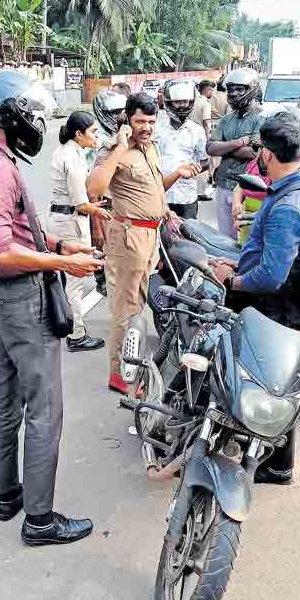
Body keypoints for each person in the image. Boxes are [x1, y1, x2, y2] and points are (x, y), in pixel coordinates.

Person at [0, 70, 103, 546]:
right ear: (12, 115)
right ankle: (39, 520)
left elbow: (16, 230)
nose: (37, 125)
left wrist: (59, 245)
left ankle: (9, 495)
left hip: (7, 297)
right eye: (33, 115)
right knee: (45, 407)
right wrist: (62, 261)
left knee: (9, 394)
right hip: (20, 297)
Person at [209, 112, 300, 486]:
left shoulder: (288, 206)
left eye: (261, 152)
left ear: (267, 154)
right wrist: (239, 262)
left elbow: (271, 275)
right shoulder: (295, 185)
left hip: (273, 304)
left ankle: (277, 464)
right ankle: (270, 455)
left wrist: (233, 280)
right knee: (276, 378)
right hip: (277, 299)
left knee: (271, 380)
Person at [88, 93, 199, 394]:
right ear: (127, 119)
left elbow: (152, 188)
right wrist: (120, 146)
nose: (146, 127)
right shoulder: (114, 148)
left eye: (151, 121)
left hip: (150, 236)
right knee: (125, 309)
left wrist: (175, 180)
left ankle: (131, 368)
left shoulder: (150, 147)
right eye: (140, 121)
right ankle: (120, 375)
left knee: (138, 306)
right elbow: (95, 187)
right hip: (129, 237)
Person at [50, 112, 114, 352]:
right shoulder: (72, 157)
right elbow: (81, 203)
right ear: (79, 134)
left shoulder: (68, 151)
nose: (96, 136)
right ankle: (76, 335)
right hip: (71, 222)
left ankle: (66, 326)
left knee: (67, 279)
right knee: (74, 283)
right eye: (93, 132)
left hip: (63, 218)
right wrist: (100, 212)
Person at [206, 68, 266, 237]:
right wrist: (238, 143)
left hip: (249, 189)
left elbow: (254, 153)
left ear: (252, 89)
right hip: (224, 184)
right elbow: (210, 148)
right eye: (231, 89)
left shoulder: (262, 118)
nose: (233, 93)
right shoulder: (226, 120)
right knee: (225, 238)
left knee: (247, 238)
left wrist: (224, 148)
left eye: (239, 89)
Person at [232, 137, 300, 244]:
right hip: (248, 224)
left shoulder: (296, 168)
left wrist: (261, 217)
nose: (262, 152)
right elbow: (240, 186)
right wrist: (237, 204)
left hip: (273, 228)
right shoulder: (256, 163)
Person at [89, 89, 129, 297]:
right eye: (114, 112)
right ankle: (103, 282)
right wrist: (95, 223)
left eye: (122, 111)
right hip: (102, 205)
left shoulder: (122, 136)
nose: (119, 115)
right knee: (103, 247)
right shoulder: (96, 141)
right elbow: (91, 187)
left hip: (121, 204)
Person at [154, 81, 210, 220]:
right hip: (160, 196)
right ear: (169, 102)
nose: (182, 106)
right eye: (177, 102)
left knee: (188, 232)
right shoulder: (156, 129)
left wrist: (193, 169)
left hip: (186, 197)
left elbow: (205, 161)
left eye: (185, 101)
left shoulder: (197, 131)